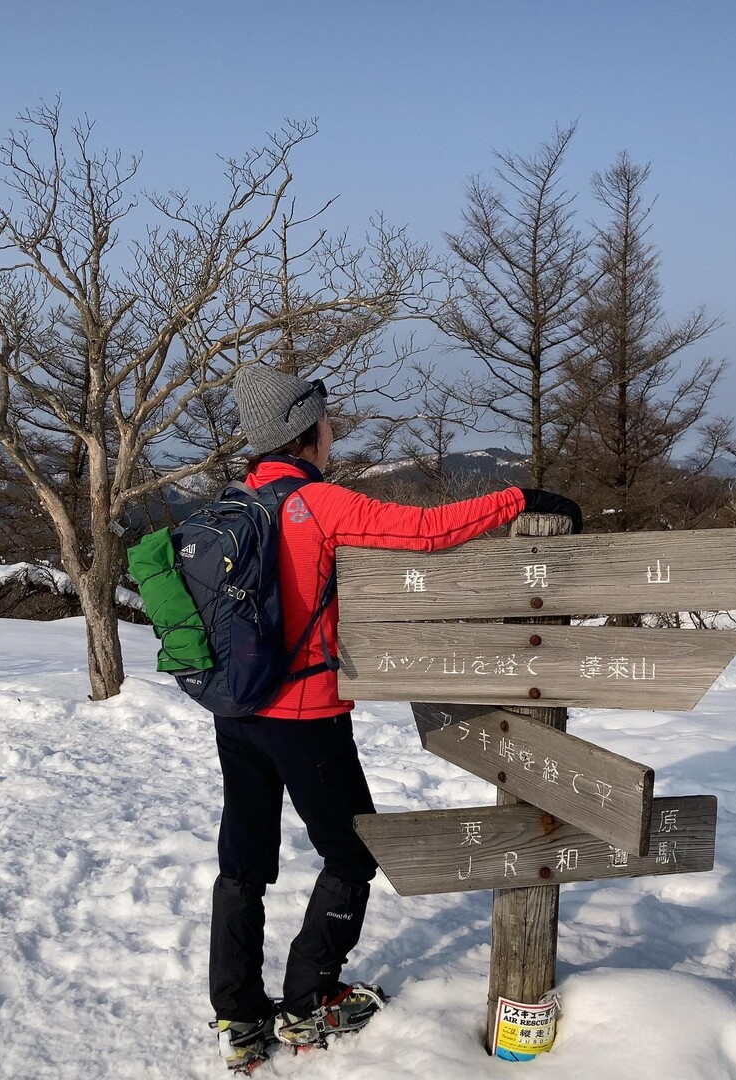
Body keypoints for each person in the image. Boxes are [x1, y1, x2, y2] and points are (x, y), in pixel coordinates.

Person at [210, 364, 582, 1071]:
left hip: (237, 710)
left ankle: (238, 1015)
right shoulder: (315, 503)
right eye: (325, 419)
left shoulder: (238, 501)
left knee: (243, 863)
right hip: (304, 712)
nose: (333, 429)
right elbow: (426, 532)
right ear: (302, 430)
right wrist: (519, 498)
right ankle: (309, 1002)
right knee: (350, 852)